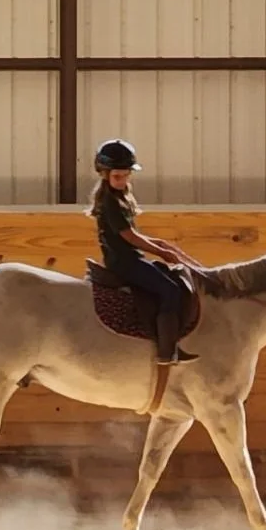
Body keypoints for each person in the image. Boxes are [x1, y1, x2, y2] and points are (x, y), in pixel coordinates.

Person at [87, 138, 204, 365]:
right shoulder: (110, 203)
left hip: (132, 258)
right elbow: (130, 237)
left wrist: (161, 244)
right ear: (105, 175)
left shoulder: (120, 198)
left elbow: (133, 234)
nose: (122, 181)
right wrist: (160, 252)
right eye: (117, 176)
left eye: (126, 175)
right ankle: (167, 351)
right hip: (124, 263)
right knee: (170, 290)